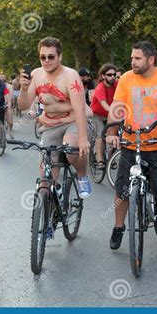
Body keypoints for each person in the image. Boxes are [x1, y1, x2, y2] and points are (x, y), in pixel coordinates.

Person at [105, 40, 157, 248]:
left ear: (151, 59)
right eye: (132, 58)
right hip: (132, 143)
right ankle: (118, 227)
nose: (133, 61)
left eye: (137, 58)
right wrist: (112, 132)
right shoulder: (126, 79)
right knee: (122, 189)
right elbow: (117, 107)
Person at [18, 36, 92, 197]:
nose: (46, 61)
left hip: (72, 121)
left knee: (71, 148)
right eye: (42, 57)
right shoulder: (36, 75)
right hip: (51, 126)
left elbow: (80, 109)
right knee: (45, 177)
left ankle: (82, 176)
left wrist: (83, 139)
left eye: (51, 57)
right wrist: (24, 89)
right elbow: (23, 106)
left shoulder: (70, 76)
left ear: (60, 56)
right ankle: (48, 215)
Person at [90, 63, 118, 168]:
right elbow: (105, 106)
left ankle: (111, 158)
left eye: (114, 75)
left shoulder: (117, 84)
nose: (112, 77)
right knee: (100, 135)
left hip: (110, 115)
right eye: (109, 75)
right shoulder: (100, 88)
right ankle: (100, 160)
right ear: (103, 76)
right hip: (97, 115)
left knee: (114, 135)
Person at [0, 73, 14, 138]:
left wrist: (9, 103)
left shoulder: (9, 86)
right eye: (1, 77)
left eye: (3, 77)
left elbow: (11, 97)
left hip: (7, 104)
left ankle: (10, 130)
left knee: (10, 122)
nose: (2, 78)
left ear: (5, 78)